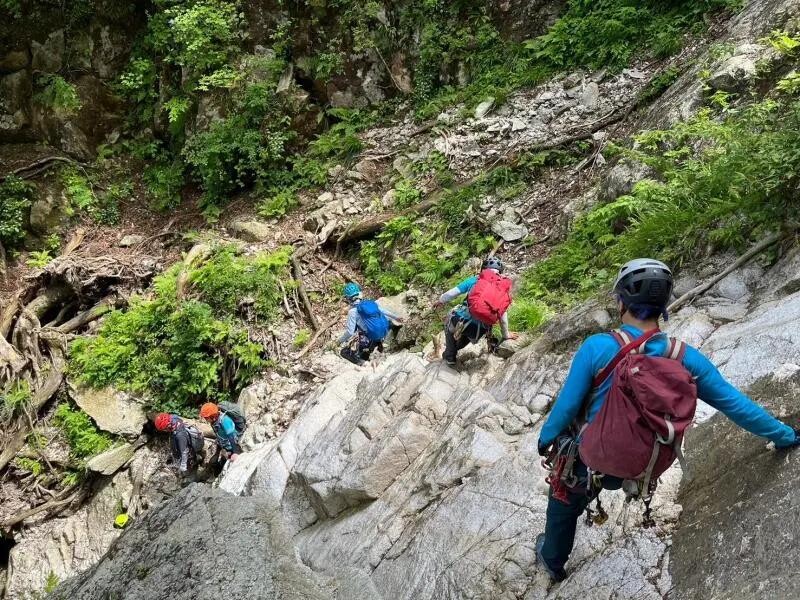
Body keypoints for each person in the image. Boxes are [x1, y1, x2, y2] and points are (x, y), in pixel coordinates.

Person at [534, 258, 800, 582]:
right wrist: (785, 434)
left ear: (621, 302)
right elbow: (736, 405)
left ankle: (553, 560)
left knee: (565, 497)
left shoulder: (598, 347)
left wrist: (545, 439)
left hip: (593, 458)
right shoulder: (685, 357)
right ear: (663, 306)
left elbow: (565, 408)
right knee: (606, 473)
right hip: (641, 466)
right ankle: (616, 485)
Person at [434, 256, 518, 366]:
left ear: (483, 269)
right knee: (467, 335)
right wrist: (506, 334)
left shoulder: (476, 280)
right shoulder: (502, 289)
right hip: (478, 330)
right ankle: (453, 351)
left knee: (450, 320)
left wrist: (440, 301)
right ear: (500, 272)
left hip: (460, 320)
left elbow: (452, 293)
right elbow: (503, 317)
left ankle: (449, 356)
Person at [338, 282, 401, 366]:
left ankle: (363, 363)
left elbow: (350, 332)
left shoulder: (352, 312)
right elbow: (383, 311)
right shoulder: (370, 303)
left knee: (344, 352)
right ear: (360, 294)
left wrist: (339, 341)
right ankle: (379, 345)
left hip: (371, 338)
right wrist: (396, 317)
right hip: (383, 333)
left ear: (348, 299)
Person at [154, 412, 204, 477]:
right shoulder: (173, 418)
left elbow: (184, 451)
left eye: (164, 429)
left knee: (187, 467)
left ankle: (192, 474)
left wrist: (183, 465)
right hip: (184, 440)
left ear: (168, 425)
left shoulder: (180, 435)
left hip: (188, 447)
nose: (164, 431)